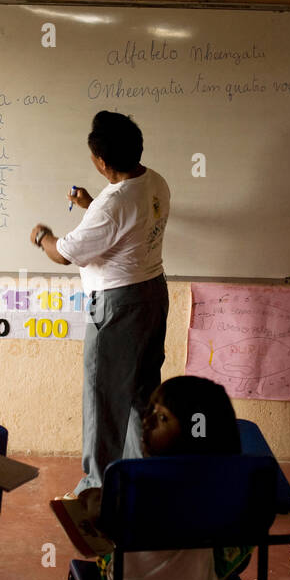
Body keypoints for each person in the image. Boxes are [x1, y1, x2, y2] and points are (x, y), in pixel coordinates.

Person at [30, 110, 170, 496]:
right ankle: (139, 478)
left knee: (104, 398)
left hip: (118, 305)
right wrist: (91, 203)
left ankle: (97, 489)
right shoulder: (155, 182)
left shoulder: (111, 205)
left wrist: (43, 236)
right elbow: (124, 223)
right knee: (142, 392)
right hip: (153, 296)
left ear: (103, 162)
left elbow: (64, 253)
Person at [75, 376, 250, 580]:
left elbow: (97, 521)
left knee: (99, 521)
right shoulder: (234, 485)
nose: (146, 422)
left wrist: (90, 500)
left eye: (162, 418)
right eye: (151, 412)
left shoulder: (133, 483)